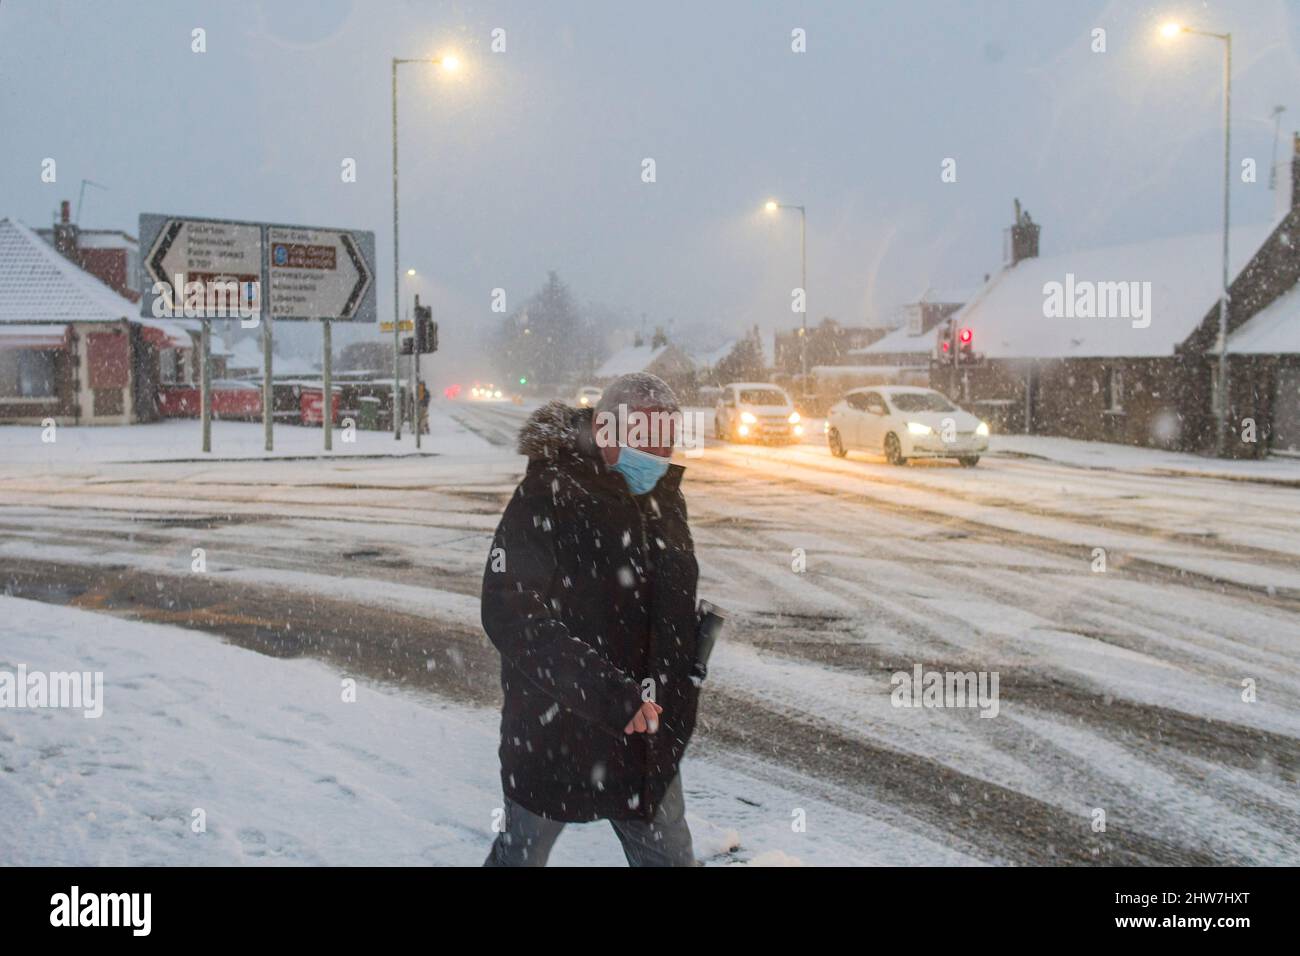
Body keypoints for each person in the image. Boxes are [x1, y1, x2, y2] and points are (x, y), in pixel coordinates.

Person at [481, 373, 701, 866]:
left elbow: (670, 599)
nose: (659, 454)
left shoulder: (663, 497)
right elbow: (510, 610)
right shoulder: (548, 494)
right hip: (555, 730)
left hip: (646, 737)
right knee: (521, 853)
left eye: (667, 440)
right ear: (605, 430)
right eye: (646, 439)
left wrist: (681, 678)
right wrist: (606, 693)